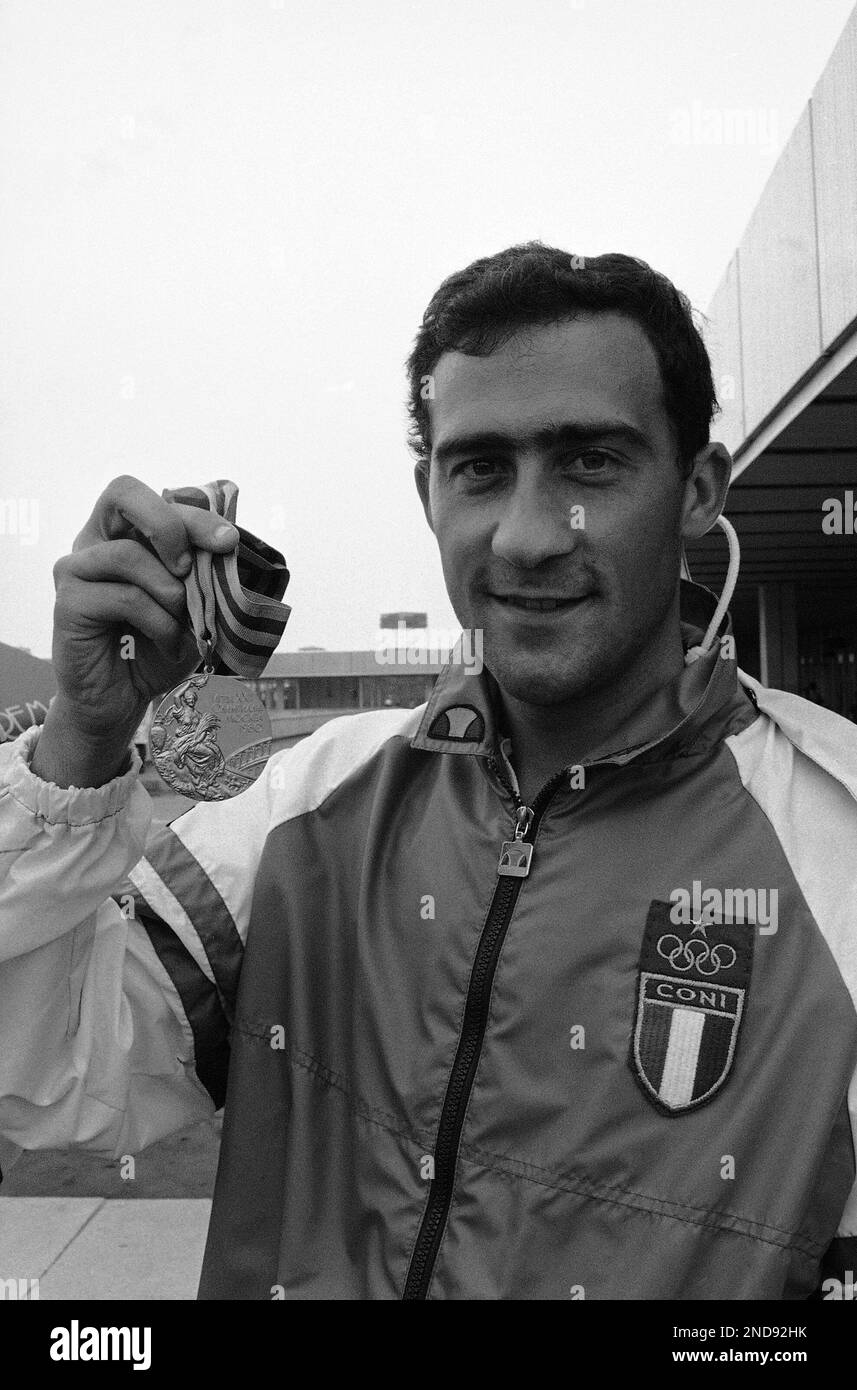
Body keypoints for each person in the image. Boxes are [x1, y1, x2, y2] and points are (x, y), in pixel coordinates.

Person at [1, 245, 855, 1301]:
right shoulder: (305, 806)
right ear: (427, 493)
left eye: (591, 462)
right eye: (480, 468)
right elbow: (47, 1079)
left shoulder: (835, 851)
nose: (530, 535)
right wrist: (80, 743)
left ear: (696, 490)